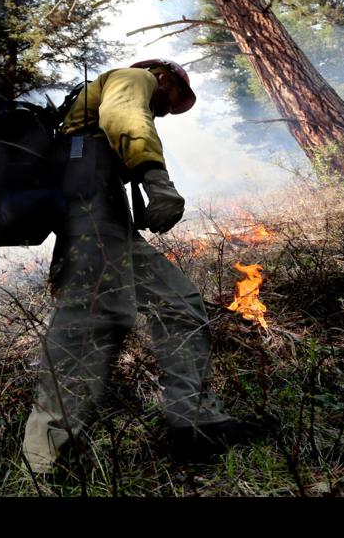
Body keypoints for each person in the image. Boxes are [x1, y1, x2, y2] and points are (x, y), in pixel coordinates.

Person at [21, 58, 257, 474]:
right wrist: (157, 181)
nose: (167, 109)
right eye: (173, 99)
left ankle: (196, 424)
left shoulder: (99, 99)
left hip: (102, 210)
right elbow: (124, 115)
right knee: (89, 322)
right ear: (164, 77)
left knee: (179, 303)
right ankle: (46, 462)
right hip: (91, 209)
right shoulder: (135, 78)